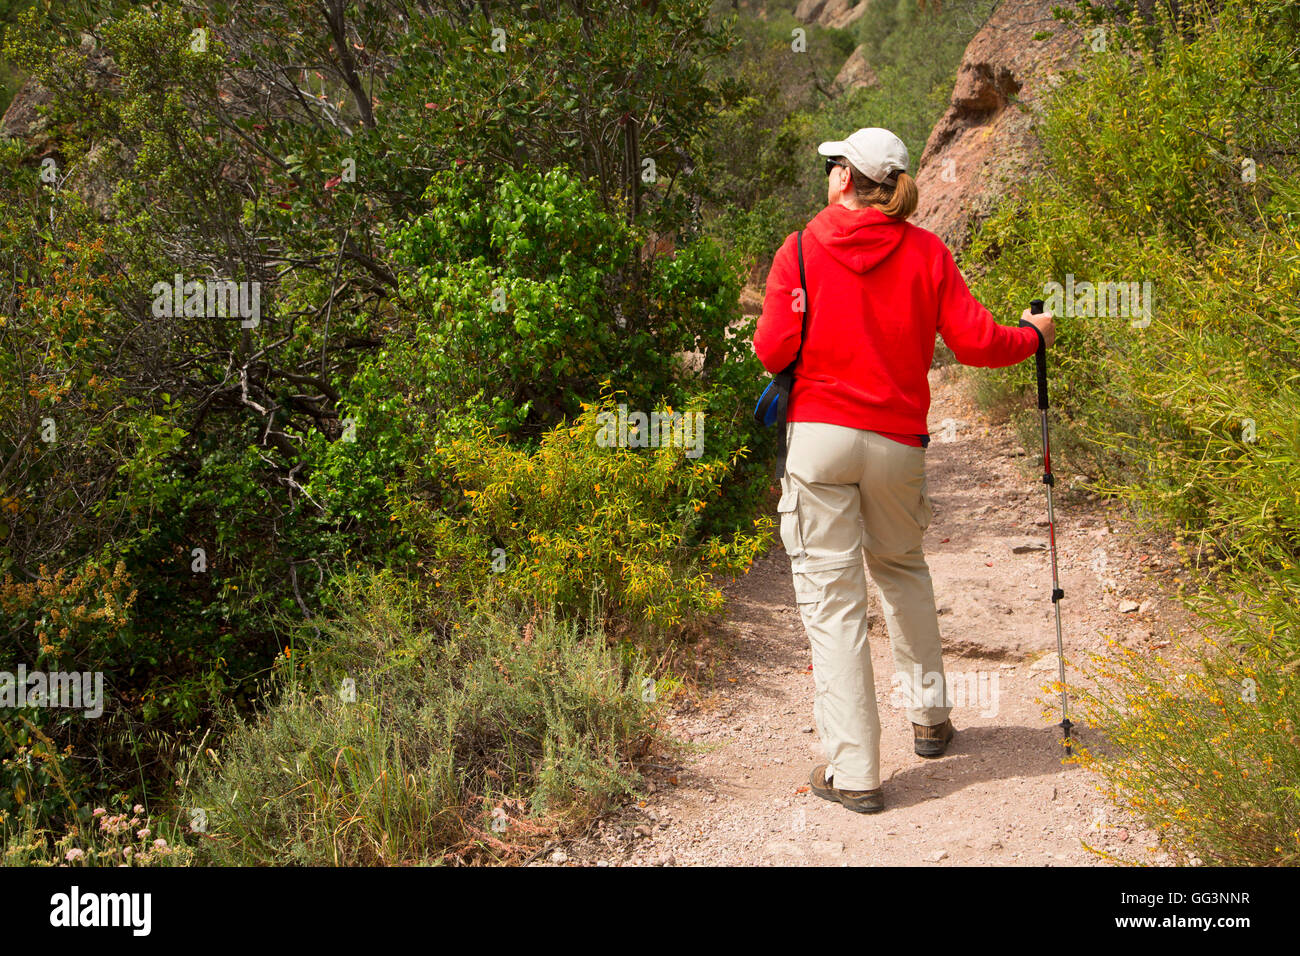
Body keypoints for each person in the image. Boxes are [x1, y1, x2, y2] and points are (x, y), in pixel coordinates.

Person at [753, 127, 1055, 814]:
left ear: (842, 180)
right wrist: (1034, 335)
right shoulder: (926, 251)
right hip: (896, 444)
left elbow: (773, 347)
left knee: (834, 607)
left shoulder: (799, 250)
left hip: (821, 443)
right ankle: (929, 719)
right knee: (902, 570)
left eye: (833, 164)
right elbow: (979, 344)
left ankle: (855, 771)